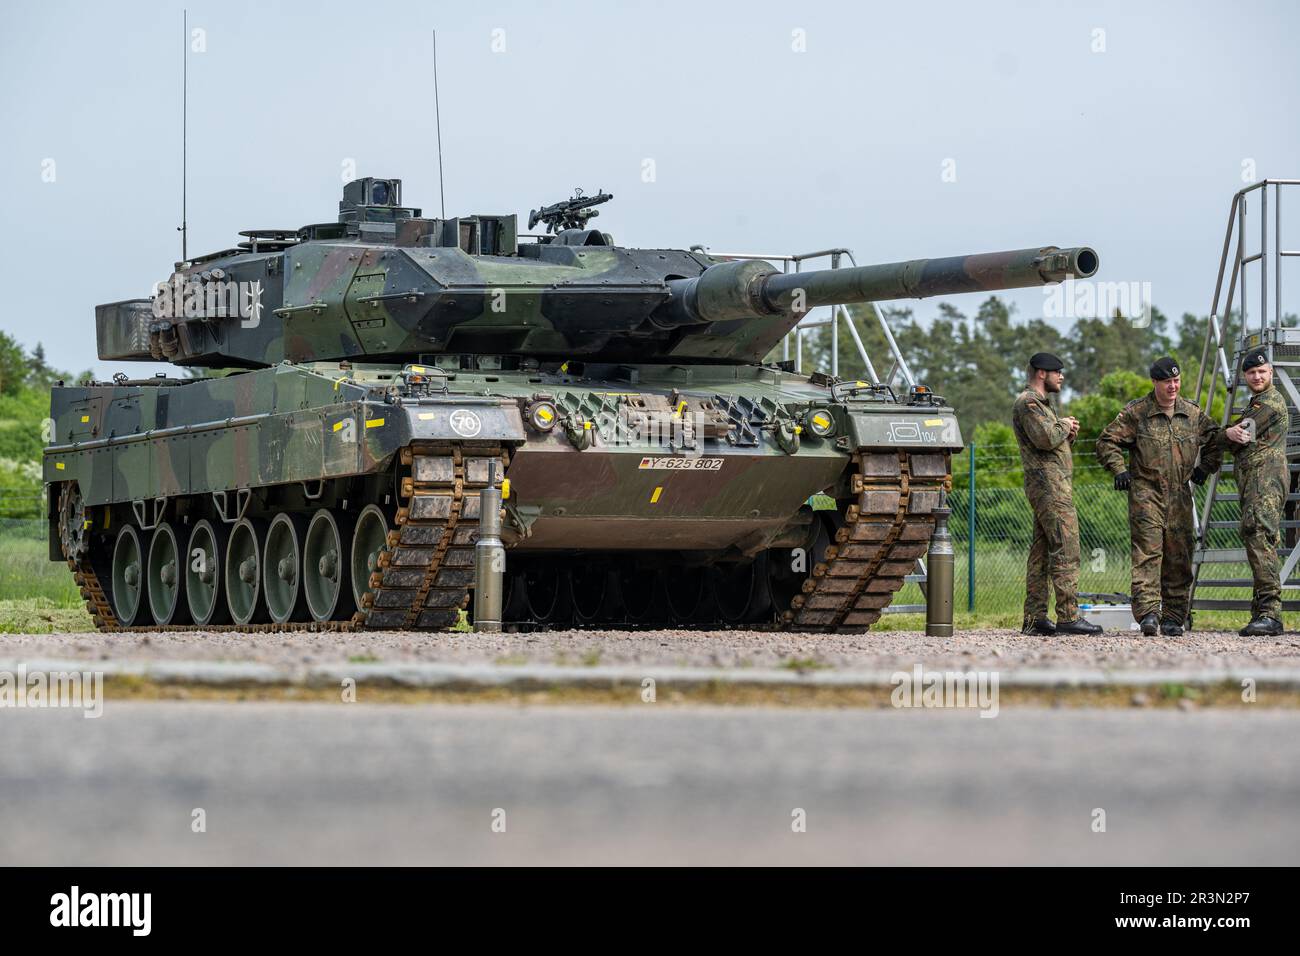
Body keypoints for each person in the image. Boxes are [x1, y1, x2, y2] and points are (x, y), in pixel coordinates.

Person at [1096, 357, 1222, 636]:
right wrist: (1118, 469)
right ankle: (1149, 614)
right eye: (1167, 382)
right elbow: (1107, 441)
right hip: (1146, 493)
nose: (1173, 386)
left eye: (1176, 381)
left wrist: (1205, 468)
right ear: (1155, 382)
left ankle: (1174, 617)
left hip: (1180, 494)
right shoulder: (1137, 412)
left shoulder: (1191, 413)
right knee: (1148, 555)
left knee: (1179, 555)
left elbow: (1216, 439)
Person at [1011, 352, 1102, 635]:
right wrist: (1064, 425)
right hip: (1050, 488)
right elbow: (1046, 437)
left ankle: (1035, 618)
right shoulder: (1029, 402)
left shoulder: (1041, 405)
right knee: (1067, 547)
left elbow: (1051, 443)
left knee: (1041, 552)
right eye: (1057, 371)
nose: (1061, 376)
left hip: (1050, 486)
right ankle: (1068, 616)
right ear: (1041, 373)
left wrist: (1065, 433)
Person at [1218, 350, 1289, 636]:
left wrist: (1224, 434)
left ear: (1270, 372)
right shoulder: (1256, 402)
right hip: (1256, 482)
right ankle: (1261, 611)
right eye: (1251, 373)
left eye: (1262, 372)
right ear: (1245, 376)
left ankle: (1270, 614)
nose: (1257, 377)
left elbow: (1239, 439)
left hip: (1266, 481)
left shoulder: (1269, 403)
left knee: (1260, 535)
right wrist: (1228, 433)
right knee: (1258, 536)